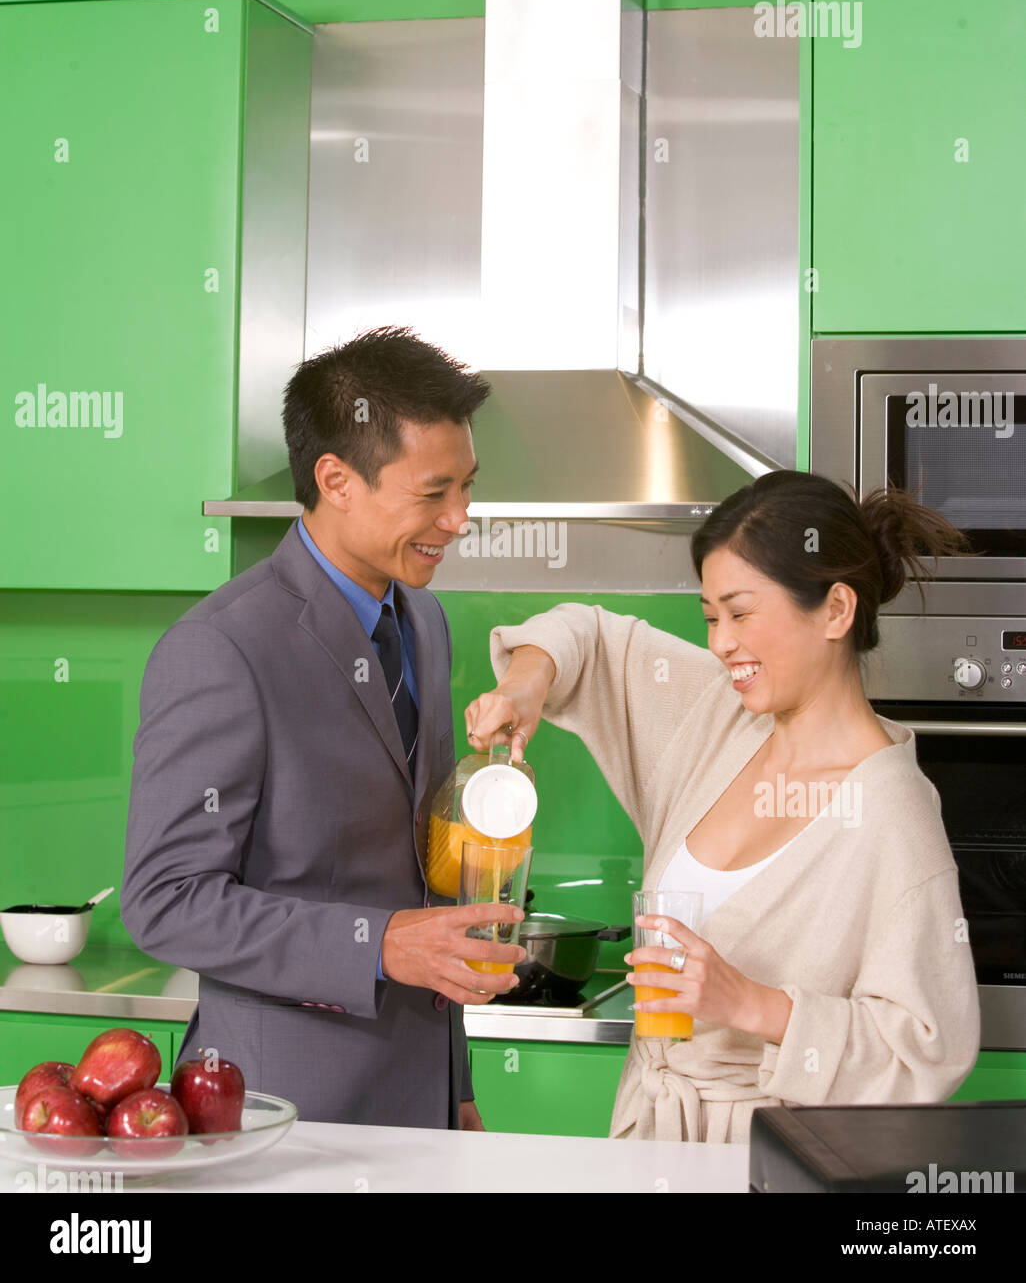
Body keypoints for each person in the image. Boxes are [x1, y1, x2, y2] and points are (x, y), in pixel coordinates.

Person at [464, 471, 981, 1144]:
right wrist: (524, 689)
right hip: (649, 1141)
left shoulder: (891, 814)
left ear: (835, 610)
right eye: (711, 617)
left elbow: (925, 1052)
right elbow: (584, 635)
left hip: (775, 1159)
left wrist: (751, 1004)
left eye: (740, 614)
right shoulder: (716, 719)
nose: (720, 644)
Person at [121, 326, 525, 1130]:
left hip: (425, 1107)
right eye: (434, 492)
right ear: (336, 479)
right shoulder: (222, 648)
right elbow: (164, 900)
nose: (460, 518)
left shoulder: (426, 620)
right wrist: (376, 945)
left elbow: (413, 878)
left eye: (468, 488)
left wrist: (459, 1087)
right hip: (284, 1114)